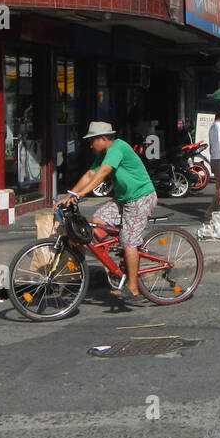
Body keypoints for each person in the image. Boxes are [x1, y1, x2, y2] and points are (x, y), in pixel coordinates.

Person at [62, 121, 157, 303]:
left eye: (92, 141)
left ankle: (133, 287)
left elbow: (103, 173)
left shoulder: (118, 148)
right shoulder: (104, 153)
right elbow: (91, 174)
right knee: (97, 221)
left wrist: (81, 194)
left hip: (140, 198)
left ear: (103, 138)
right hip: (123, 200)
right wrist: (70, 194)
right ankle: (117, 263)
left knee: (128, 240)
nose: (91, 145)